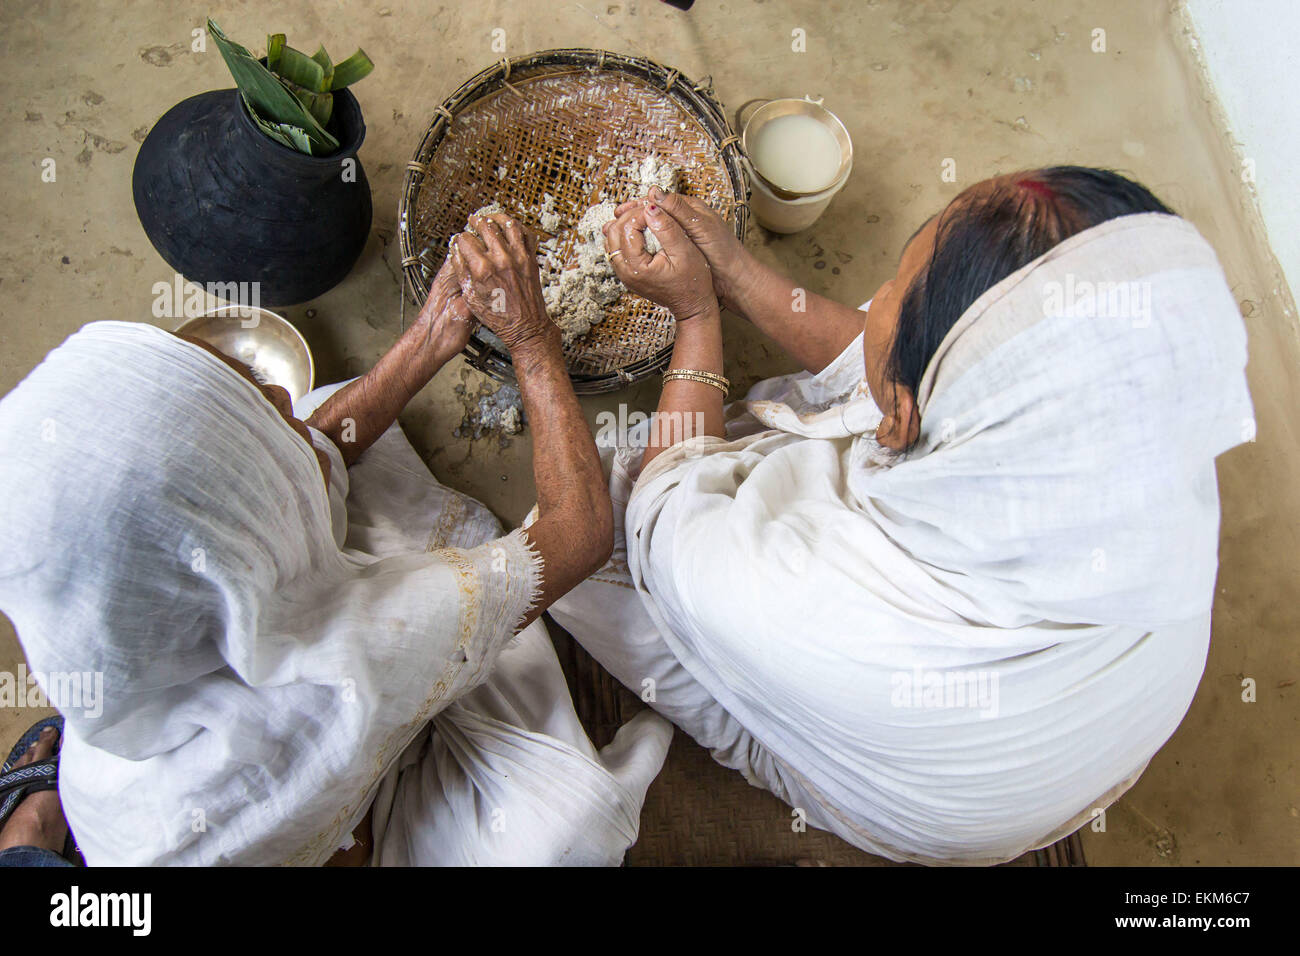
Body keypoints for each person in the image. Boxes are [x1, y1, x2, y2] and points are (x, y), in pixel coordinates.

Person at [551, 167, 1255, 864]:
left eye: (890, 287)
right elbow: (899, 365)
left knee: (593, 543)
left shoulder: (808, 598)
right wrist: (734, 274)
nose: (878, 293)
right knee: (896, 355)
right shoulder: (1138, 404)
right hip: (1058, 753)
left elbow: (663, 509)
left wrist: (697, 319)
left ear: (902, 418)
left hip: (903, 799)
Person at [0, 212, 671, 866]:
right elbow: (579, 535)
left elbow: (311, 457)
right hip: (320, 762)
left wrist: (436, 334)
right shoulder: (337, 667)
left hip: (147, 806)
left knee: (338, 429)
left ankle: (26, 841)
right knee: (565, 833)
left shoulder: (115, 624)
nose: (284, 401)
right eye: (264, 411)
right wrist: (531, 337)